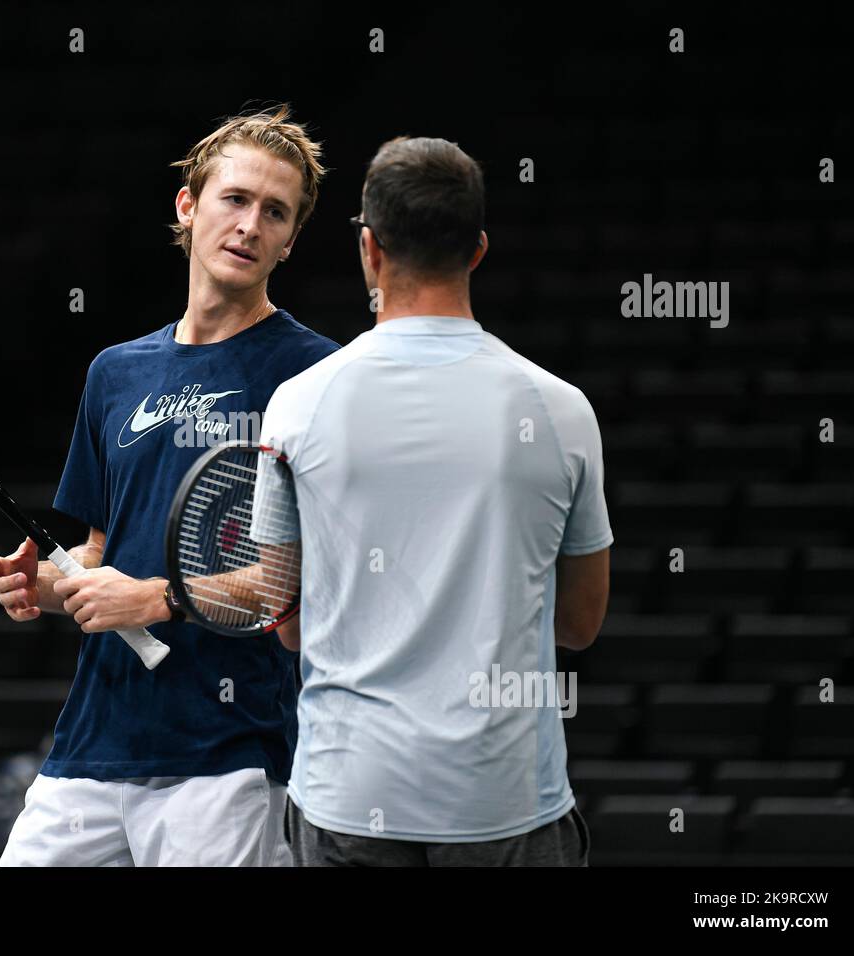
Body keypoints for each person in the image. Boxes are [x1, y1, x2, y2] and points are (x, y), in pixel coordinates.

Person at [0, 105, 339, 866]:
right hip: (88, 749)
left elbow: (305, 580)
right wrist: (46, 586)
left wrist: (153, 598)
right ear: (189, 205)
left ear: (290, 239)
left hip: (230, 759)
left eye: (274, 212)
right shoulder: (116, 373)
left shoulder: (317, 376)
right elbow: (102, 553)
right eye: (234, 199)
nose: (249, 224)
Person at [257, 136, 611, 866]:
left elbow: (286, 625)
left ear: (369, 248)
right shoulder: (562, 410)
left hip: (346, 801)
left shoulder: (296, 406)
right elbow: (579, 623)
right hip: (507, 807)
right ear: (478, 249)